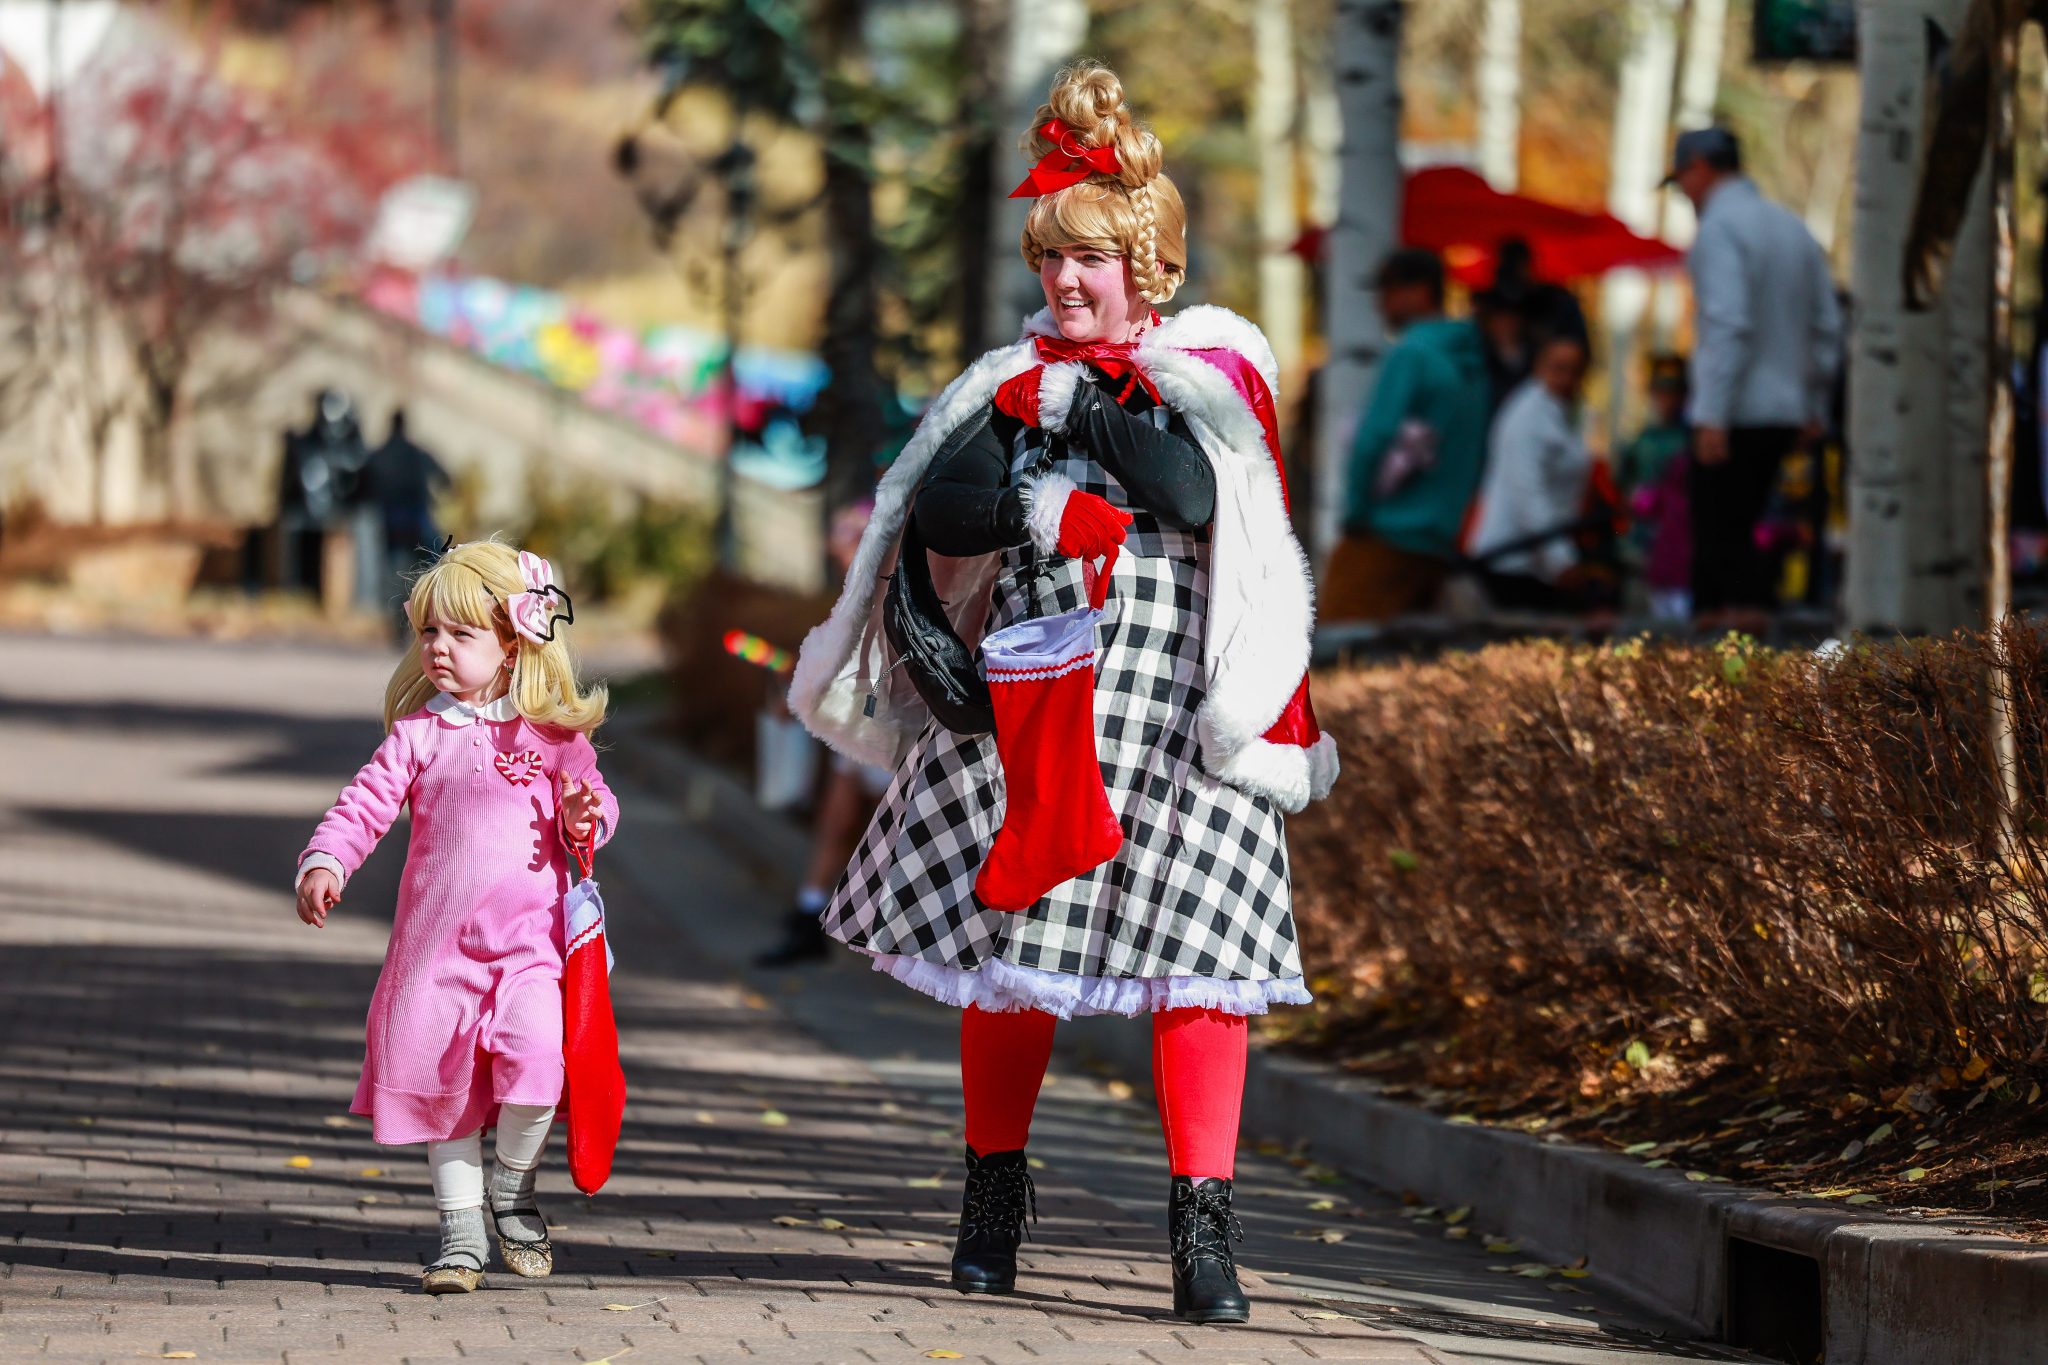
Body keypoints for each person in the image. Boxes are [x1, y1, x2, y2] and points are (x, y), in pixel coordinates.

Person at [788, 61, 1336, 1326]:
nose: (1063, 286)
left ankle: (1204, 1237)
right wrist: (1035, 491)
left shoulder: (1211, 370)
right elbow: (938, 503)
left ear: (1145, 262)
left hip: (1179, 720)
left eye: (1085, 261)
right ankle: (990, 1203)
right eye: (1048, 264)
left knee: (1200, 968)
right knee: (1011, 958)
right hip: (1038, 705)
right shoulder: (1008, 380)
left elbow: (1197, 494)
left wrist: (1078, 412)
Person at [292, 540, 617, 1295]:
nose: (438, 648)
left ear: (513, 644)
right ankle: (462, 1231)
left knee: (539, 1064)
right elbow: (362, 806)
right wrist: (326, 860)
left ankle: (511, 1185)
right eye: (428, 633)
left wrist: (582, 813)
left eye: (461, 634)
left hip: (528, 951)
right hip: (435, 956)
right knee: (443, 1091)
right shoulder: (418, 736)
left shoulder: (553, 738)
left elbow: (597, 817)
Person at [1665, 127, 1842, 619]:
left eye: (1682, 178)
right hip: (1785, 414)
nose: (1683, 192)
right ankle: (1760, 669)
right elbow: (1827, 326)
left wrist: (1711, 416)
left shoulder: (1720, 231)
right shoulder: (1794, 228)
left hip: (1736, 414)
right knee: (1750, 537)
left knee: (1720, 555)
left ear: (1699, 167)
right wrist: (1813, 405)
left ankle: (1723, 680)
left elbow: (1728, 325)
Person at [1323, 248, 1490, 622]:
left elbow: (1374, 439)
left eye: (1389, 291)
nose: (1382, 305)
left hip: (1385, 536)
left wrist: (1356, 512)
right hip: (1439, 542)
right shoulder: (1474, 361)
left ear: (1421, 291)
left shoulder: (1412, 353)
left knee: (1334, 653)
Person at [1468, 332, 1596, 610]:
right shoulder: (1527, 417)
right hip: (1514, 560)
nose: (1567, 379)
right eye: (1559, 368)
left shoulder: (1568, 412)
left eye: (1575, 370)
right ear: (1539, 366)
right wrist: (1561, 561)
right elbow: (1529, 496)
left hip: (1540, 559)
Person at [1618, 356, 1693, 621]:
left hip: (1681, 547)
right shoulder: (1641, 440)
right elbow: (1624, 488)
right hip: (1642, 545)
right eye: (1661, 391)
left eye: (1674, 392)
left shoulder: (1691, 442)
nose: (1667, 399)